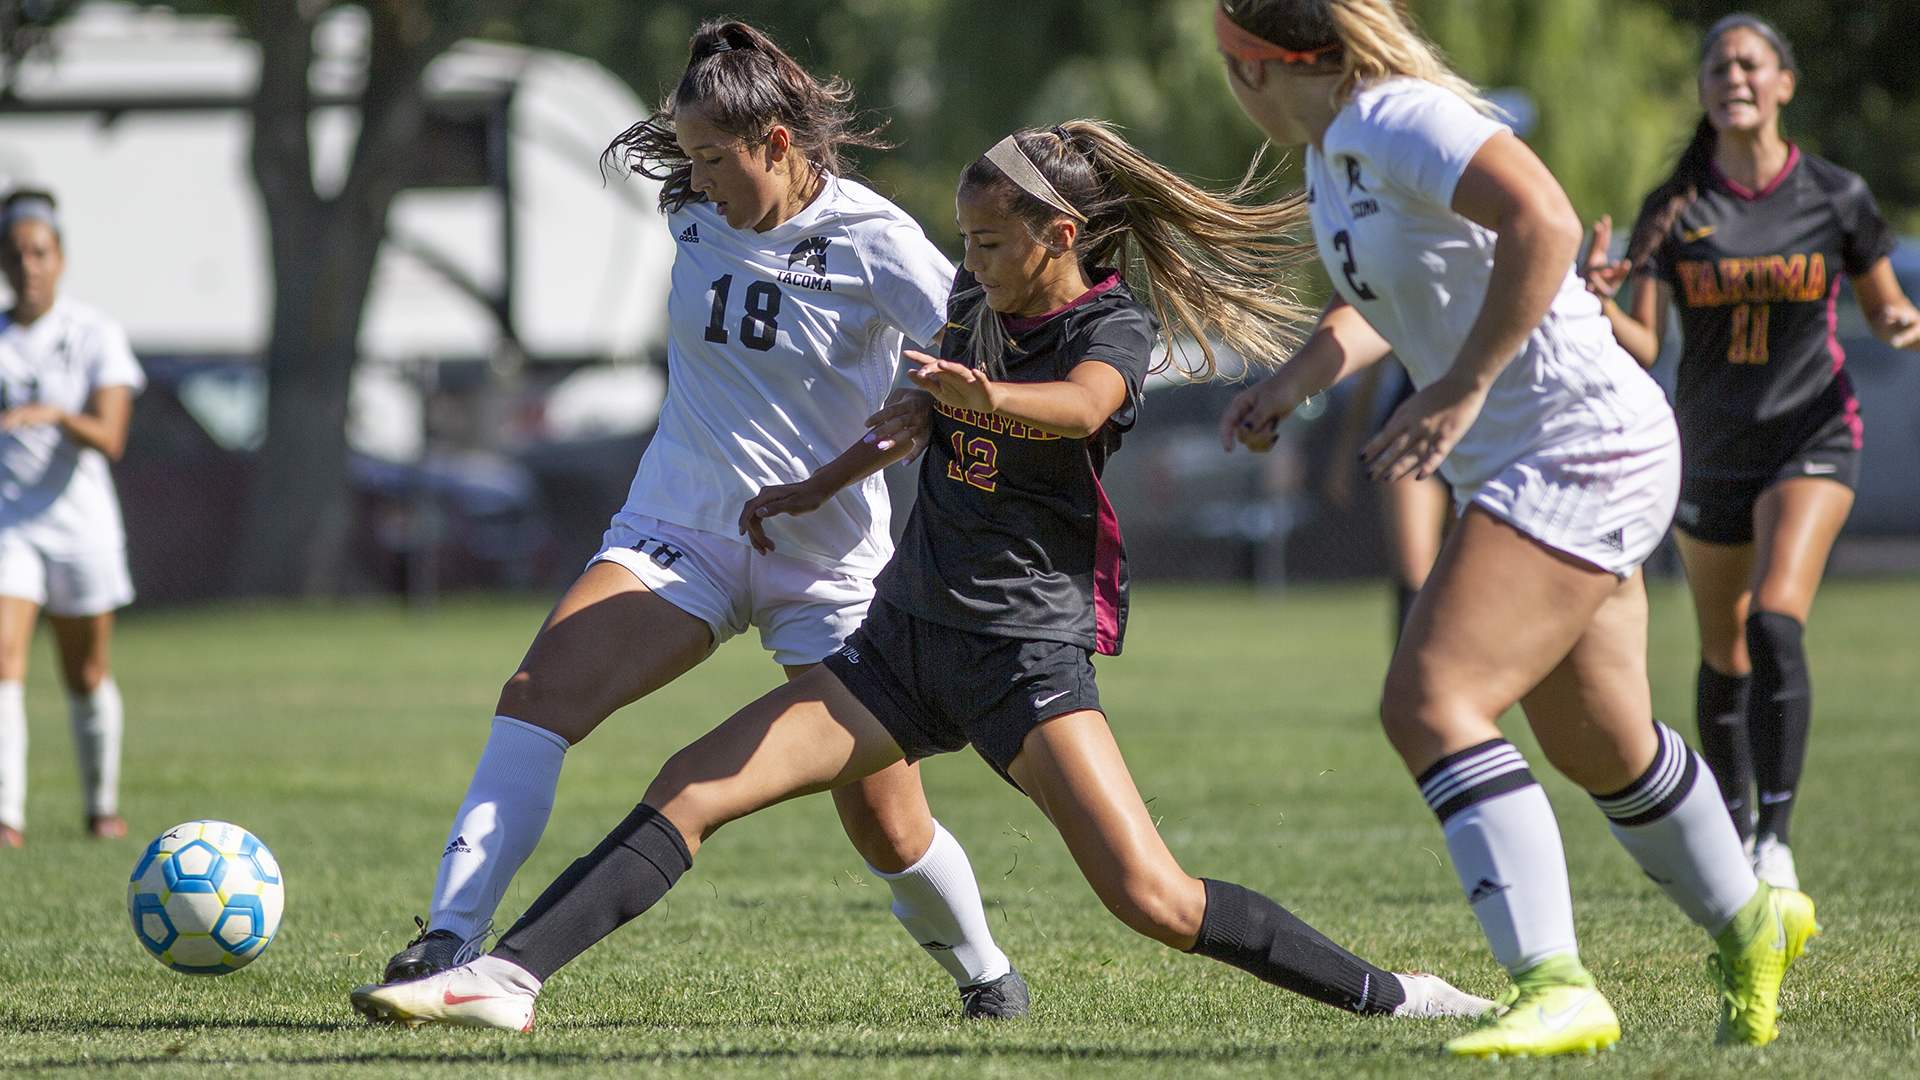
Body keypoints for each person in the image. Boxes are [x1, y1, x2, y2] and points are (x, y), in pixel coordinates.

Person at [350, 119, 1494, 1032]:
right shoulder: (974, 308)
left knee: (1156, 900)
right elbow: (913, 415)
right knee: (693, 783)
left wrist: (983, 398)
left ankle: (1392, 994)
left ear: (1058, 235)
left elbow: (1084, 411)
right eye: (967, 242)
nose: (971, 263)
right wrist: (819, 482)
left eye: (991, 244)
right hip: (900, 645)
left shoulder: (1112, 329)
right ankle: (504, 977)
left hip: (1021, 661)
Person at [370, 20, 1026, 1019]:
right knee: (539, 691)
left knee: (887, 822)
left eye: (717, 157)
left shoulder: (874, 240)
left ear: (777, 141)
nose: (699, 178)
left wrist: (918, 412)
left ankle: (989, 978)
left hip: (830, 568)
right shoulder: (692, 209)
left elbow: (977, 359)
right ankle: (445, 944)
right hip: (682, 529)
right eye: (688, 157)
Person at [1211, 0, 1815, 1057]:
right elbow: (1395, 296)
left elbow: (1545, 219)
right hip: (1542, 453)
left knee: (1431, 700)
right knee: (1601, 742)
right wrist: (1300, 377)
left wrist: (1458, 389)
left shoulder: (1399, 117)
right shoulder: (1334, 153)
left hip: (1580, 444)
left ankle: (1556, 981)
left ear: (1258, 68)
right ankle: (1753, 921)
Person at [1582, 13, 1920, 892]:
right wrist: (1593, 300)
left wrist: (1899, 322)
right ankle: (1730, 835)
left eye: (1749, 62)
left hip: (1812, 434)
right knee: (1724, 651)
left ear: (1784, 83)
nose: (1732, 75)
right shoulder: (1677, 208)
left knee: (1775, 621)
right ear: (1704, 90)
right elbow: (1646, 344)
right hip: (1709, 450)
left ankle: (1776, 837)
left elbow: (1886, 307)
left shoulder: (1836, 195)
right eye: (1718, 65)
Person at [0, 189, 143, 849]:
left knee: (85, 674)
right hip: (12, 525)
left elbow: (112, 436)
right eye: (14, 252)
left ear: (60, 258)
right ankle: (8, 818)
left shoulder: (93, 334)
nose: (27, 264)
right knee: (5, 658)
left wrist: (56, 415)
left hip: (81, 526)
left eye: (39, 251)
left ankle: (100, 808)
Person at [1327, 358, 1448, 638]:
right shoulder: (1414, 313)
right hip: (1413, 432)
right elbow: (1372, 369)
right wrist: (1345, 453)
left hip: (1483, 433)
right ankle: (1409, 675)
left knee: (1467, 572)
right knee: (1414, 569)